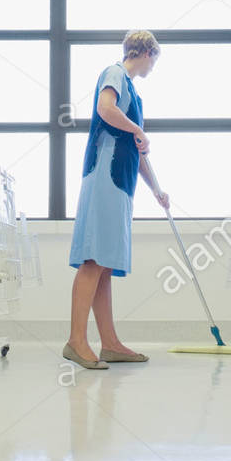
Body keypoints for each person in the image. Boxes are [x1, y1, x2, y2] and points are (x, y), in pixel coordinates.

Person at [65, 29, 169, 370]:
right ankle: (76, 342)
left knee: (104, 264)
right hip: (105, 177)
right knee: (94, 260)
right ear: (146, 52)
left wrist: (156, 190)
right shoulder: (115, 74)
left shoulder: (135, 96)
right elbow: (105, 109)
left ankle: (109, 343)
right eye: (154, 59)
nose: (154, 67)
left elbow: (137, 152)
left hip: (121, 184)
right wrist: (138, 130)